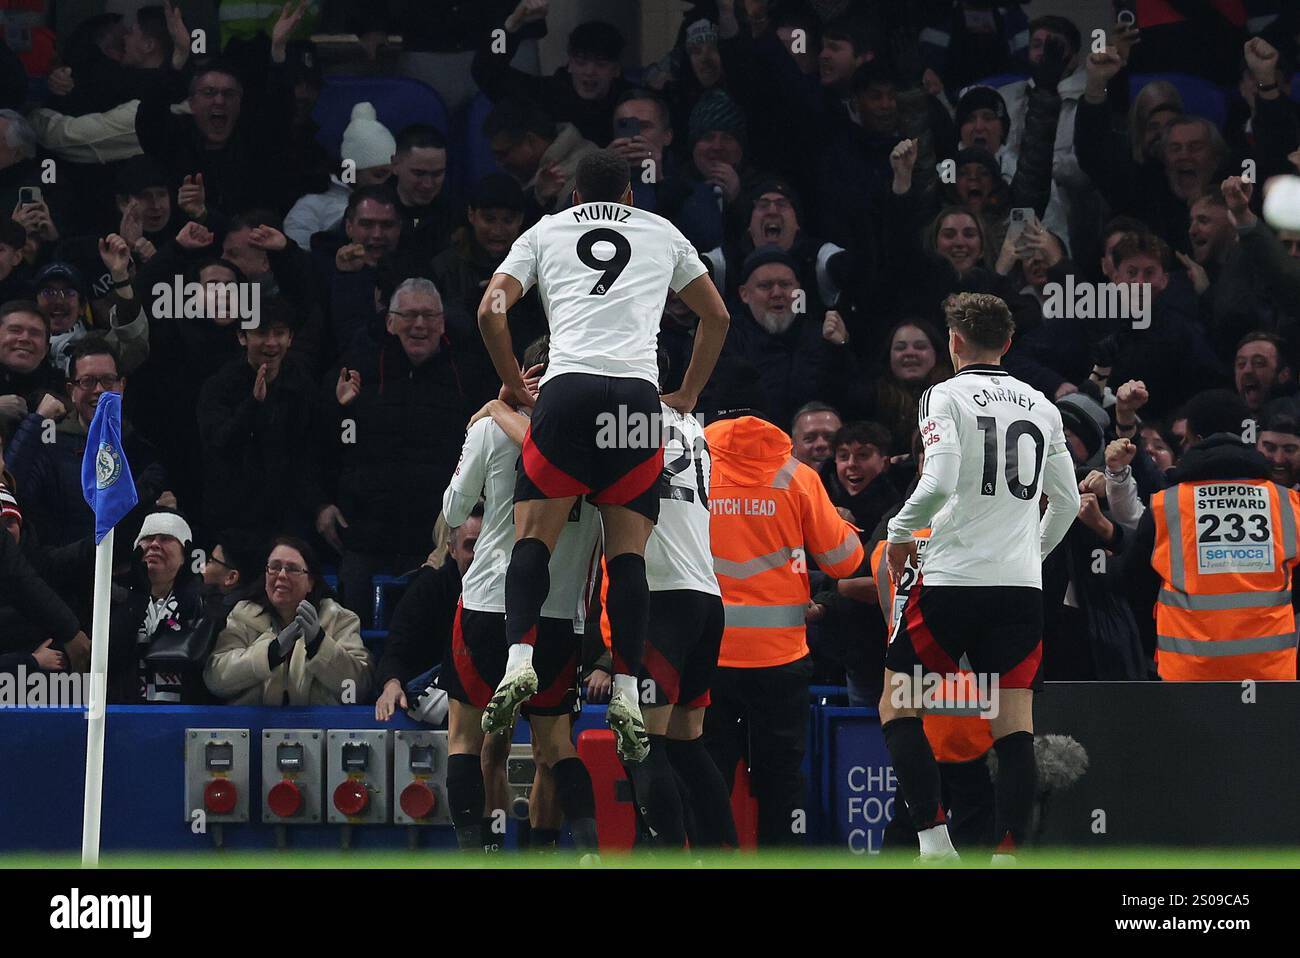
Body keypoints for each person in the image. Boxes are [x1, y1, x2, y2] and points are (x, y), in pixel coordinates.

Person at [476, 149, 730, 764]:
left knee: (533, 539)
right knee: (627, 555)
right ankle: (623, 688)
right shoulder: (661, 231)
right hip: (636, 399)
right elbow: (716, 316)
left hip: (566, 391)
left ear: (570, 196)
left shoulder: (546, 231)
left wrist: (514, 382)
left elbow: (491, 309)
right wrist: (688, 394)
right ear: (630, 198)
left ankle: (517, 660)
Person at [879, 292, 1080, 863]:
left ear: (954, 342)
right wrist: (1028, 556)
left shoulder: (943, 396)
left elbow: (938, 483)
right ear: (1009, 342)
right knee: (1013, 729)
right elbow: (1064, 502)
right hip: (1018, 591)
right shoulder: (1042, 404)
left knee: (898, 706)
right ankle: (1008, 854)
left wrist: (898, 533)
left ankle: (934, 840)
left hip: (949, 580)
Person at [442, 335, 603, 853]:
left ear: (527, 374)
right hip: (559, 615)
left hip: (489, 604)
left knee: (466, 741)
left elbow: (452, 512)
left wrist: (495, 407)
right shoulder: (605, 442)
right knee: (555, 745)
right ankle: (586, 855)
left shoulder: (492, 428)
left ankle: (478, 857)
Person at [702, 366, 865, 846]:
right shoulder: (797, 476)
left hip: (707, 654)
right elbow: (843, 563)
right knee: (780, 780)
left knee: (708, 775)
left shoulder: (691, 466)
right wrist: (842, 525)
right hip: (780, 658)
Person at [1120, 389, 1300, 681]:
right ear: (1250, 437)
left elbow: (1134, 583)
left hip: (1186, 674)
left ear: (1190, 436)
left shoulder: (1168, 504)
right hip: (1271, 676)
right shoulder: (1287, 504)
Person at [5, 335, 169, 547]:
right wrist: (36, 421)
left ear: (122, 386)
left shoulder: (141, 449)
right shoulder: (49, 446)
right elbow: (12, 489)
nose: (99, 390)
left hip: (122, 571)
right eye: (87, 381)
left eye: (108, 380)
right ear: (71, 391)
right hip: (59, 569)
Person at [205, 536, 373, 705]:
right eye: (275, 567)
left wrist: (319, 644)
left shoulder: (339, 618)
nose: (282, 575)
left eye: (292, 569)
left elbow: (357, 689)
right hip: (253, 728)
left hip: (319, 728)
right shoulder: (243, 615)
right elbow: (215, 680)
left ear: (310, 582)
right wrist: (270, 654)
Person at [108, 510, 217, 704]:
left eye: (166, 538)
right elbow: (105, 660)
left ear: (185, 554)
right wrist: (137, 600)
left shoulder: (203, 604)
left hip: (184, 718)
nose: (155, 545)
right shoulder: (111, 597)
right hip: (123, 716)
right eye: (148, 538)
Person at [790, 402, 841, 467]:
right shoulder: (776, 476)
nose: (821, 444)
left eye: (830, 437)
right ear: (793, 448)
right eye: (809, 438)